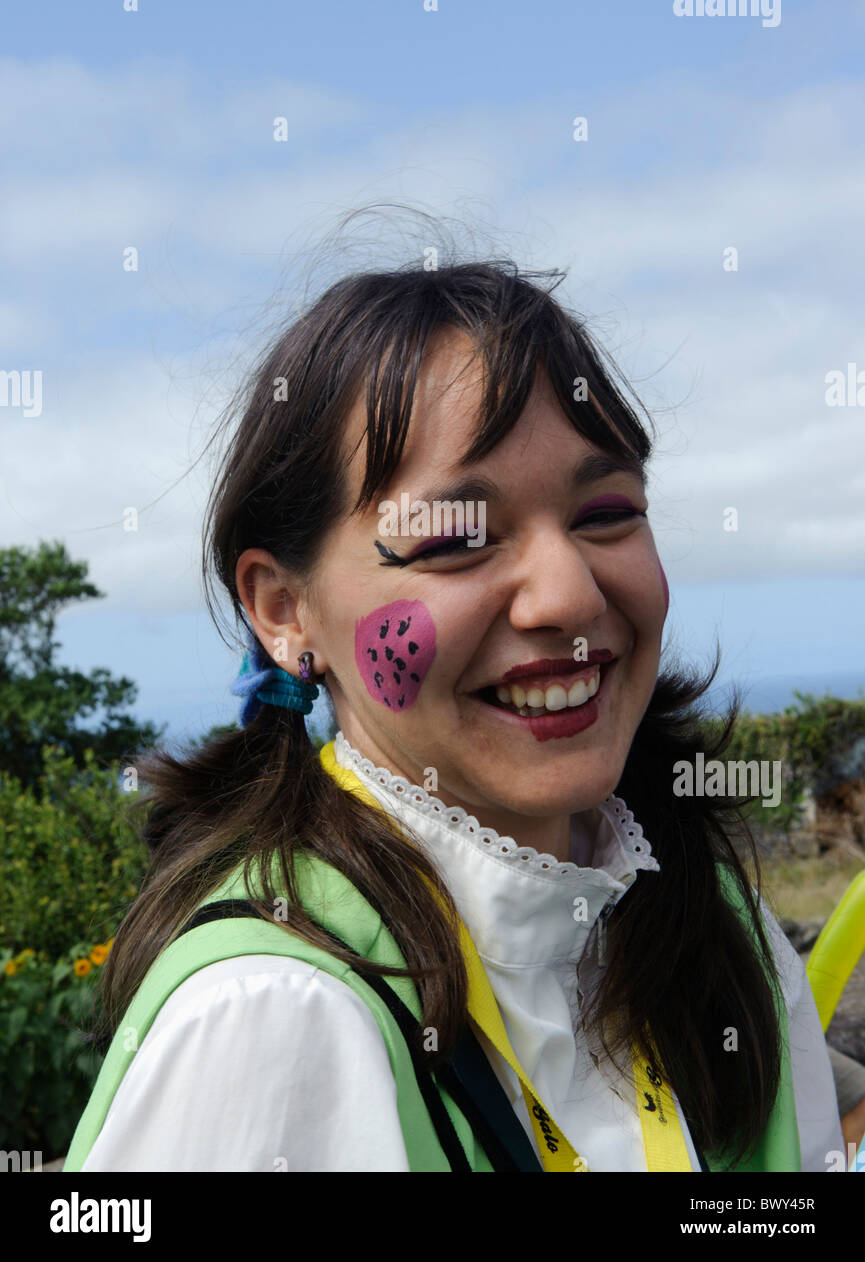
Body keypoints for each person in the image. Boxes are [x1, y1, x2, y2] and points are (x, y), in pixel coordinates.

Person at [64, 259, 843, 1172]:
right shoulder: (273, 1016)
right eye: (452, 538)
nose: (566, 594)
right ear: (283, 610)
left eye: (604, 513)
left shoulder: (724, 936)